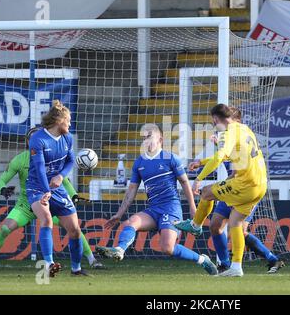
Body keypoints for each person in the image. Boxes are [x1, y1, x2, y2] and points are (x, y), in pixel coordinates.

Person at [95, 124, 218, 275]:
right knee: (130, 222)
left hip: (171, 208)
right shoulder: (139, 163)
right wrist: (119, 214)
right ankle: (119, 250)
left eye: (149, 137)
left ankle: (202, 259)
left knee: (167, 248)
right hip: (153, 209)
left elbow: (185, 182)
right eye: (144, 138)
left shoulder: (170, 158)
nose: (146, 141)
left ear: (160, 139)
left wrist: (193, 208)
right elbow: (132, 190)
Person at [0, 127, 104, 271]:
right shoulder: (19, 160)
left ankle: (92, 260)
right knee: (5, 228)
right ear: (29, 142)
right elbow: (2, 179)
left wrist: (74, 195)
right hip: (26, 205)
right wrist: (3, 189)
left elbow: (64, 180)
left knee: (74, 228)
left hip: (48, 202)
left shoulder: (51, 157)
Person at [174, 104, 268, 277]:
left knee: (206, 192)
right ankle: (236, 267)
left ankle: (195, 225)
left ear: (216, 118)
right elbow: (229, 156)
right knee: (235, 224)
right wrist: (202, 162)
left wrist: (199, 179)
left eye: (213, 120)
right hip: (260, 185)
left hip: (244, 183)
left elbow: (219, 156)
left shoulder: (227, 132)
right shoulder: (245, 129)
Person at [26, 100, 86, 276]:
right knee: (46, 219)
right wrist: (46, 191)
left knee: (75, 230)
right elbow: (39, 168)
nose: (70, 123)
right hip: (37, 187)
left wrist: (61, 176)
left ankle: (76, 268)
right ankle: (49, 264)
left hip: (57, 188)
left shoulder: (67, 138)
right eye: (68, 120)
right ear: (59, 121)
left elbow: (70, 161)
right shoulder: (38, 139)